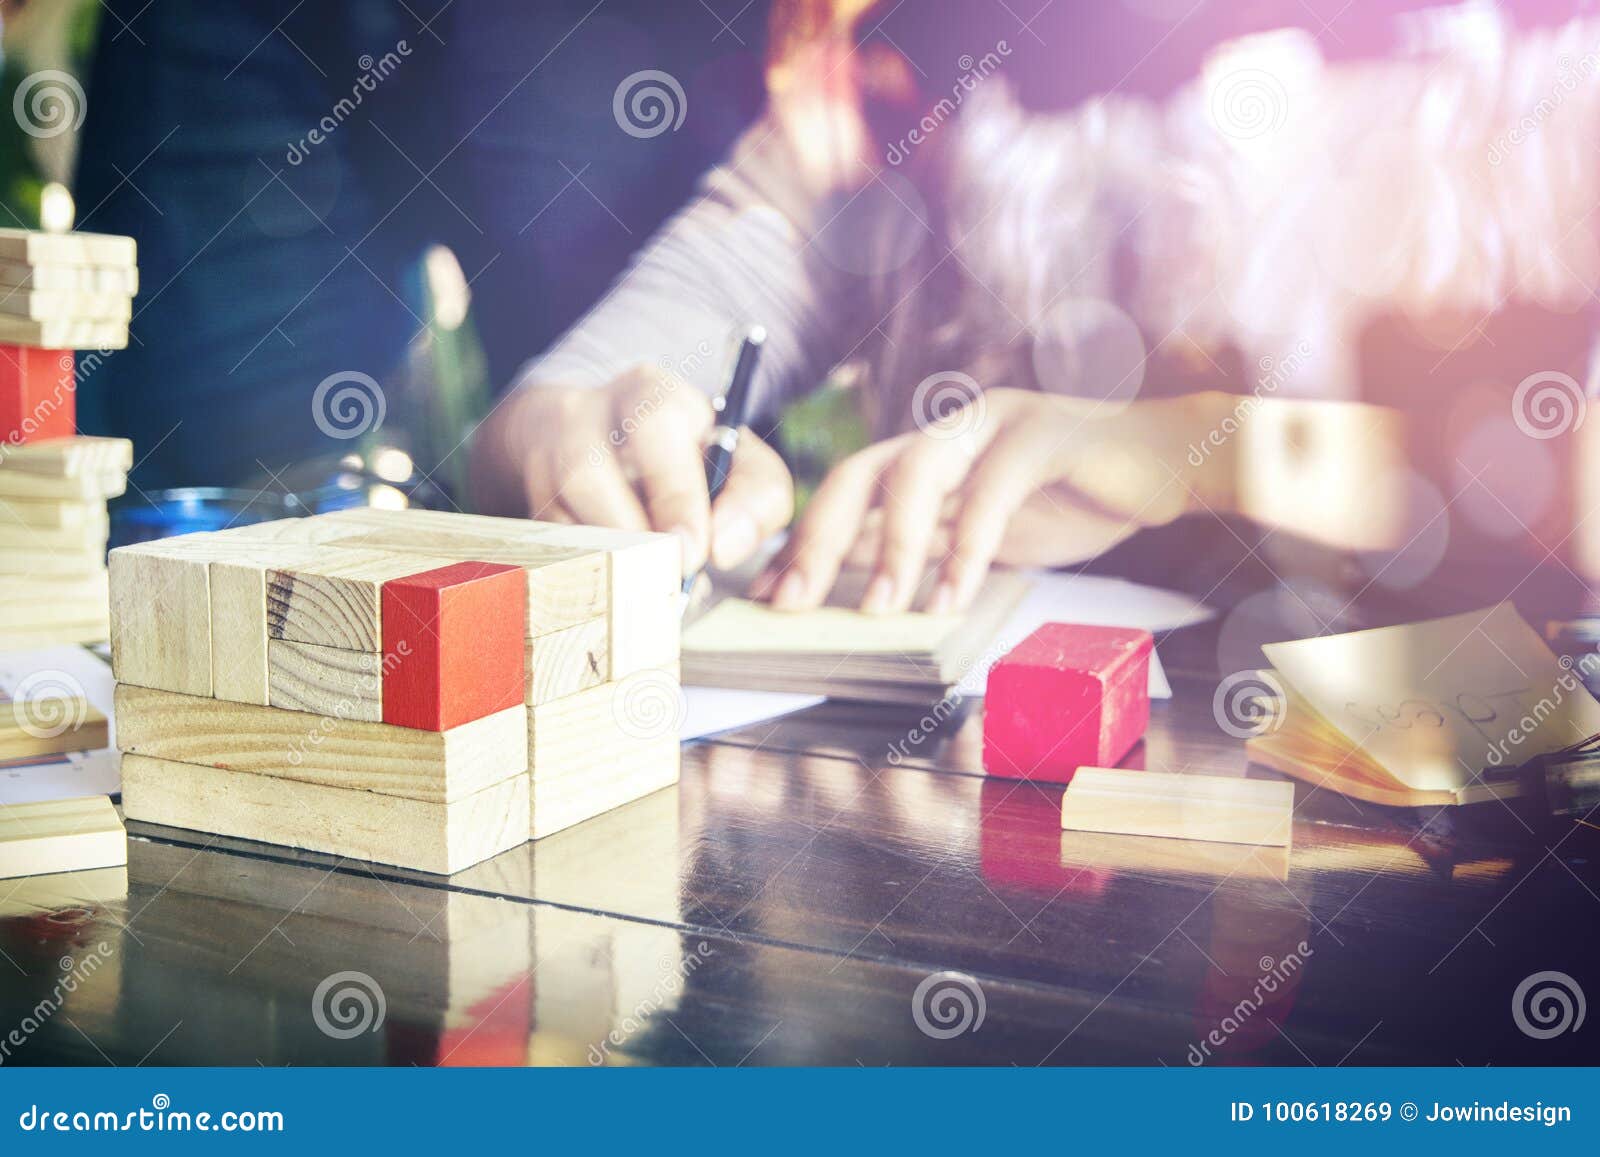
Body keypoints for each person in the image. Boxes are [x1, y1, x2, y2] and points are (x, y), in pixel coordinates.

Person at [473, 0, 1600, 613]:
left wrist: (1194, 450)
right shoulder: (874, 72)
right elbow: (565, 402)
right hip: (981, 869)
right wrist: (568, 433)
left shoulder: (1543, 75)